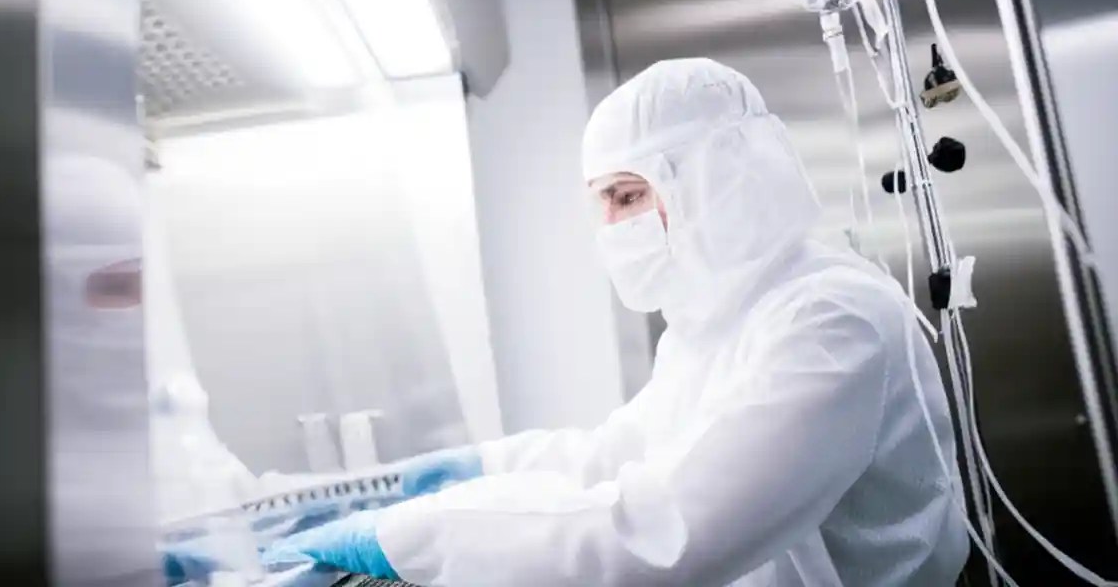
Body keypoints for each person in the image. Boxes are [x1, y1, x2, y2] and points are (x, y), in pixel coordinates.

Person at [265, 58, 969, 586]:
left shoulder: (831, 319)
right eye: (601, 201)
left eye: (626, 194)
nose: (609, 226)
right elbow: (615, 456)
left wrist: (399, 535)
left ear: (719, 177)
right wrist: (459, 474)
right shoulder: (718, 325)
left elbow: (664, 532)